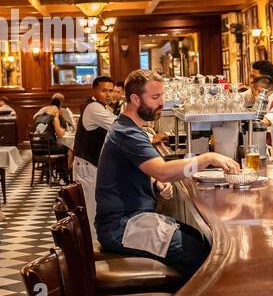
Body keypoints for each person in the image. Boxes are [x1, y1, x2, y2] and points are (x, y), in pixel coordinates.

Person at [94, 70, 239, 278]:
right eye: (155, 97)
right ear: (135, 99)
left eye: (162, 96)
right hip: (121, 226)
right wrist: (207, 158)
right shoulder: (127, 132)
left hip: (131, 219)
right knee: (200, 256)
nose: (162, 103)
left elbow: (143, 171)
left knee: (199, 239)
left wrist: (154, 183)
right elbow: (162, 171)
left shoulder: (128, 127)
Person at [73, 75, 117, 238]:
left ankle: (94, 245)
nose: (108, 95)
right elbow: (118, 126)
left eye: (111, 91)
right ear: (94, 91)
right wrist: (150, 136)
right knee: (91, 210)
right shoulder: (93, 108)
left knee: (94, 208)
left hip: (90, 165)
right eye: (104, 91)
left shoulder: (102, 107)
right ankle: (90, 249)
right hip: (87, 166)